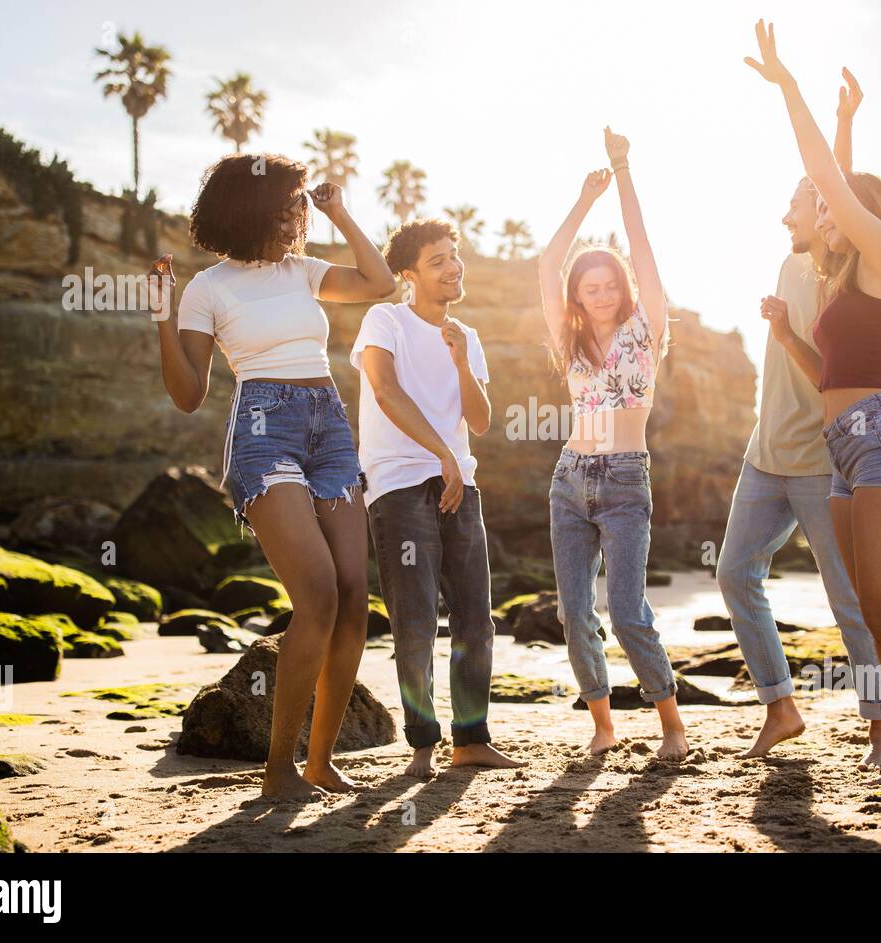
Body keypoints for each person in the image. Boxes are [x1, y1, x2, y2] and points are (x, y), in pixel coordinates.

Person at [745, 19, 881, 789]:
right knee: (874, 618)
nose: (825, 221)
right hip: (845, 450)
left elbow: (832, 180)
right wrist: (784, 334)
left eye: (838, 212)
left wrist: (794, 91)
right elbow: (820, 371)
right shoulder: (843, 280)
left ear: (867, 217)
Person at [148, 153, 395, 800]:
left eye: (301, 201)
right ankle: (277, 768)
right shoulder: (208, 288)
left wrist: (340, 211)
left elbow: (381, 282)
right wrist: (161, 317)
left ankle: (319, 761)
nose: (299, 211)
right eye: (289, 202)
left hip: (330, 426)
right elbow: (187, 394)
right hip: (263, 431)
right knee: (315, 593)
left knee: (351, 601)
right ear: (251, 207)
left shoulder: (303, 270)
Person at [717, 69, 881, 766]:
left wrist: (840, 124)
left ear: (824, 210)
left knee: (849, 600)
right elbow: (830, 183)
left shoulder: (837, 273)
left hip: (824, 461)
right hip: (765, 457)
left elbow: (839, 183)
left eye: (797, 204)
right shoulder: (789, 262)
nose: (786, 216)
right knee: (736, 572)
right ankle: (781, 705)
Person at [351, 217, 523, 779]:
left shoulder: (466, 337)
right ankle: (423, 745)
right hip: (401, 485)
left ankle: (470, 740)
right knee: (417, 619)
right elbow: (385, 390)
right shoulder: (386, 320)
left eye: (455, 256)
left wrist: (457, 361)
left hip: (460, 487)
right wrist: (443, 456)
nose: (454, 267)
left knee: (475, 619)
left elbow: (480, 419)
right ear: (408, 273)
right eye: (438, 261)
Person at [537, 128, 688, 760]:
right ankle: (602, 725)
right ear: (577, 296)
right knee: (575, 616)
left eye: (609, 286)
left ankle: (671, 723)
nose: (601, 295)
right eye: (589, 288)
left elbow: (644, 247)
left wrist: (622, 173)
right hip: (569, 479)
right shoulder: (567, 341)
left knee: (627, 612)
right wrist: (581, 200)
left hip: (626, 480)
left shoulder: (644, 331)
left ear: (623, 288)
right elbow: (547, 263)